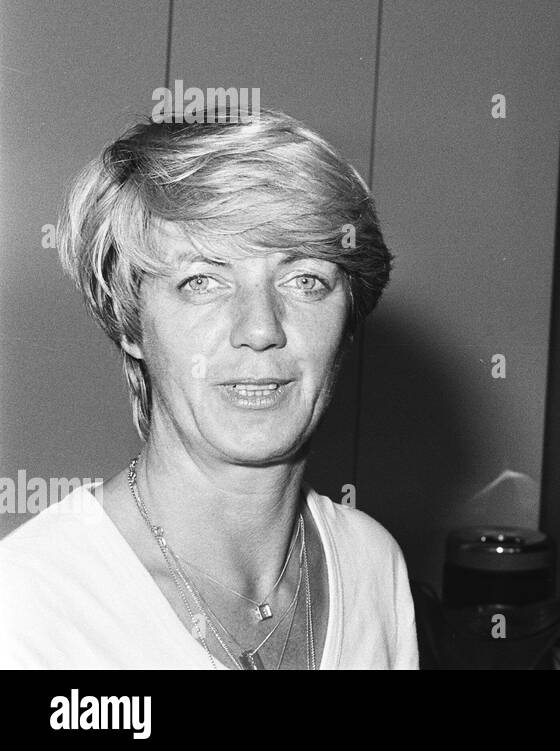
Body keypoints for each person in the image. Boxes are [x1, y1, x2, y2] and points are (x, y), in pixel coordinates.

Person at [0, 110, 419, 669]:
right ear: (130, 324)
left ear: (347, 323)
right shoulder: (32, 606)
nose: (261, 329)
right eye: (201, 280)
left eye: (305, 280)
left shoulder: (372, 563)